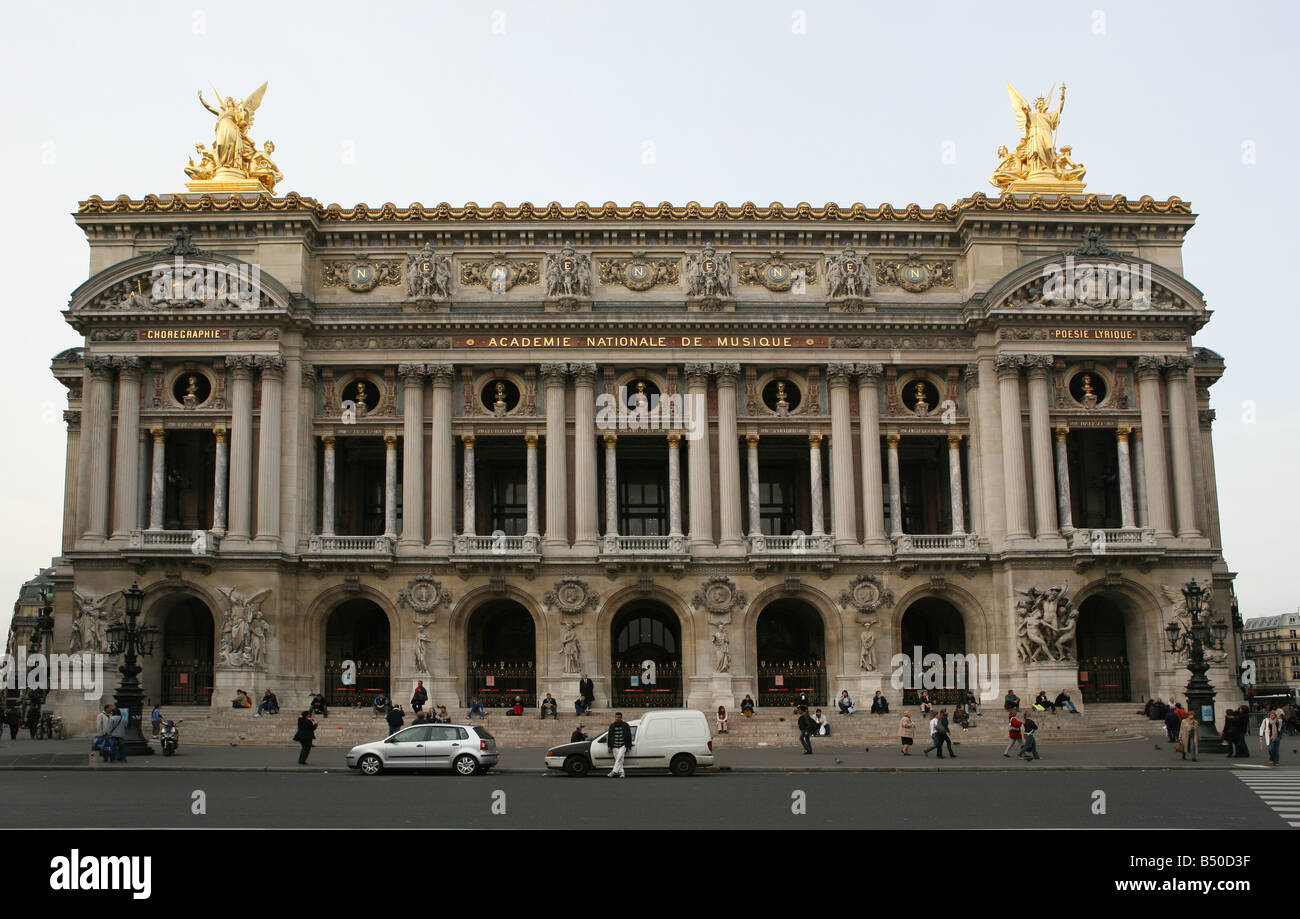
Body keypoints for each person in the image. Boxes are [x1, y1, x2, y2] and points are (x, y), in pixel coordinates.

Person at [606, 712, 632, 777]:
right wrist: (609, 746)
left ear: (621, 718)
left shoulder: (626, 725)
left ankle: (614, 771)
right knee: (620, 759)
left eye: (618, 717)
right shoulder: (612, 726)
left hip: (623, 745)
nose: (617, 718)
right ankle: (622, 773)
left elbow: (629, 736)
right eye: (616, 717)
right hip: (614, 746)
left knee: (619, 757)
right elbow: (609, 736)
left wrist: (629, 745)